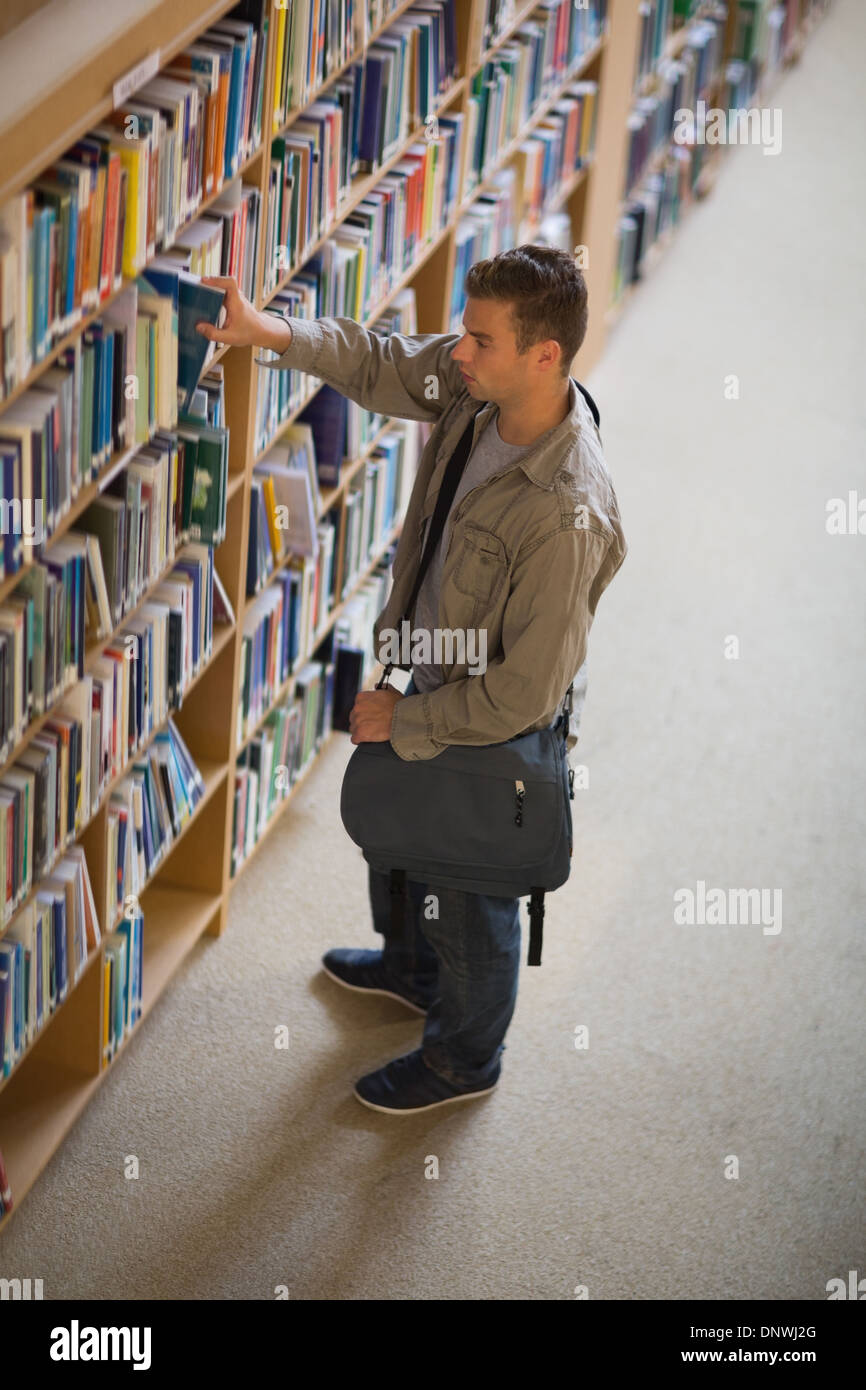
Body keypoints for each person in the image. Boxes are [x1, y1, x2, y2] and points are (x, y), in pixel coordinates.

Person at [197, 244, 626, 1114]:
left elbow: (524, 694)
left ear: (544, 356)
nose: (456, 353)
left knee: (469, 901)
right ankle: (408, 968)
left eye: (478, 339)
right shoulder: (481, 386)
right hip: (417, 669)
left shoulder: (567, 513)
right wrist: (266, 330)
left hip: (479, 725)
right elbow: (383, 361)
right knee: (396, 841)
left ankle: (466, 1061)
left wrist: (411, 723)